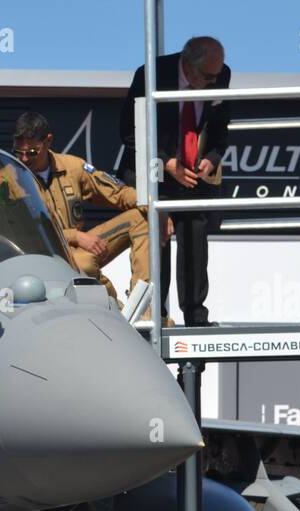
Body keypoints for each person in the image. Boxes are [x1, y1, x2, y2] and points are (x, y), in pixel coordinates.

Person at [120, 36, 231, 326]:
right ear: (187, 64)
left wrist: (212, 157)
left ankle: (196, 315)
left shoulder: (220, 75)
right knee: (159, 237)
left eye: (216, 76)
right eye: (207, 76)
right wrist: (167, 163)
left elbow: (221, 127)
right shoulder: (151, 74)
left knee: (195, 234)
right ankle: (157, 314)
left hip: (192, 173)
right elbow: (129, 131)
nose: (212, 81)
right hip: (154, 167)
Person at [0, 111, 151, 309]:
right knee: (84, 263)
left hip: (78, 247)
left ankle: (143, 309)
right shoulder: (6, 181)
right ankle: (115, 307)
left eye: (32, 152)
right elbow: (21, 231)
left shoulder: (72, 167)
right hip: (42, 254)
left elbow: (117, 192)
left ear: (48, 141)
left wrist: (153, 207)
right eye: (18, 152)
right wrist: (75, 236)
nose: (24, 159)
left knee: (142, 218)